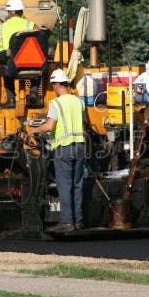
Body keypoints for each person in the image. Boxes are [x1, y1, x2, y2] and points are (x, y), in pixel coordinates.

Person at [29, 69, 87, 232]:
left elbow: (49, 126)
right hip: (80, 146)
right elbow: (82, 123)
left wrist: (32, 131)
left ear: (55, 85)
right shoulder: (79, 102)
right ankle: (78, 221)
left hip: (64, 149)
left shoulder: (56, 103)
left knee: (64, 185)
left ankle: (67, 222)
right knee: (77, 185)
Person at [0, 0, 38, 108]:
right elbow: (41, 37)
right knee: (39, 69)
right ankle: (33, 92)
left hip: (13, 67)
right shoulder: (31, 24)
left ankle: (11, 99)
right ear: (21, 11)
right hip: (31, 66)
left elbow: (2, 47)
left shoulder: (2, 27)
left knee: (4, 68)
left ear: (10, 13)